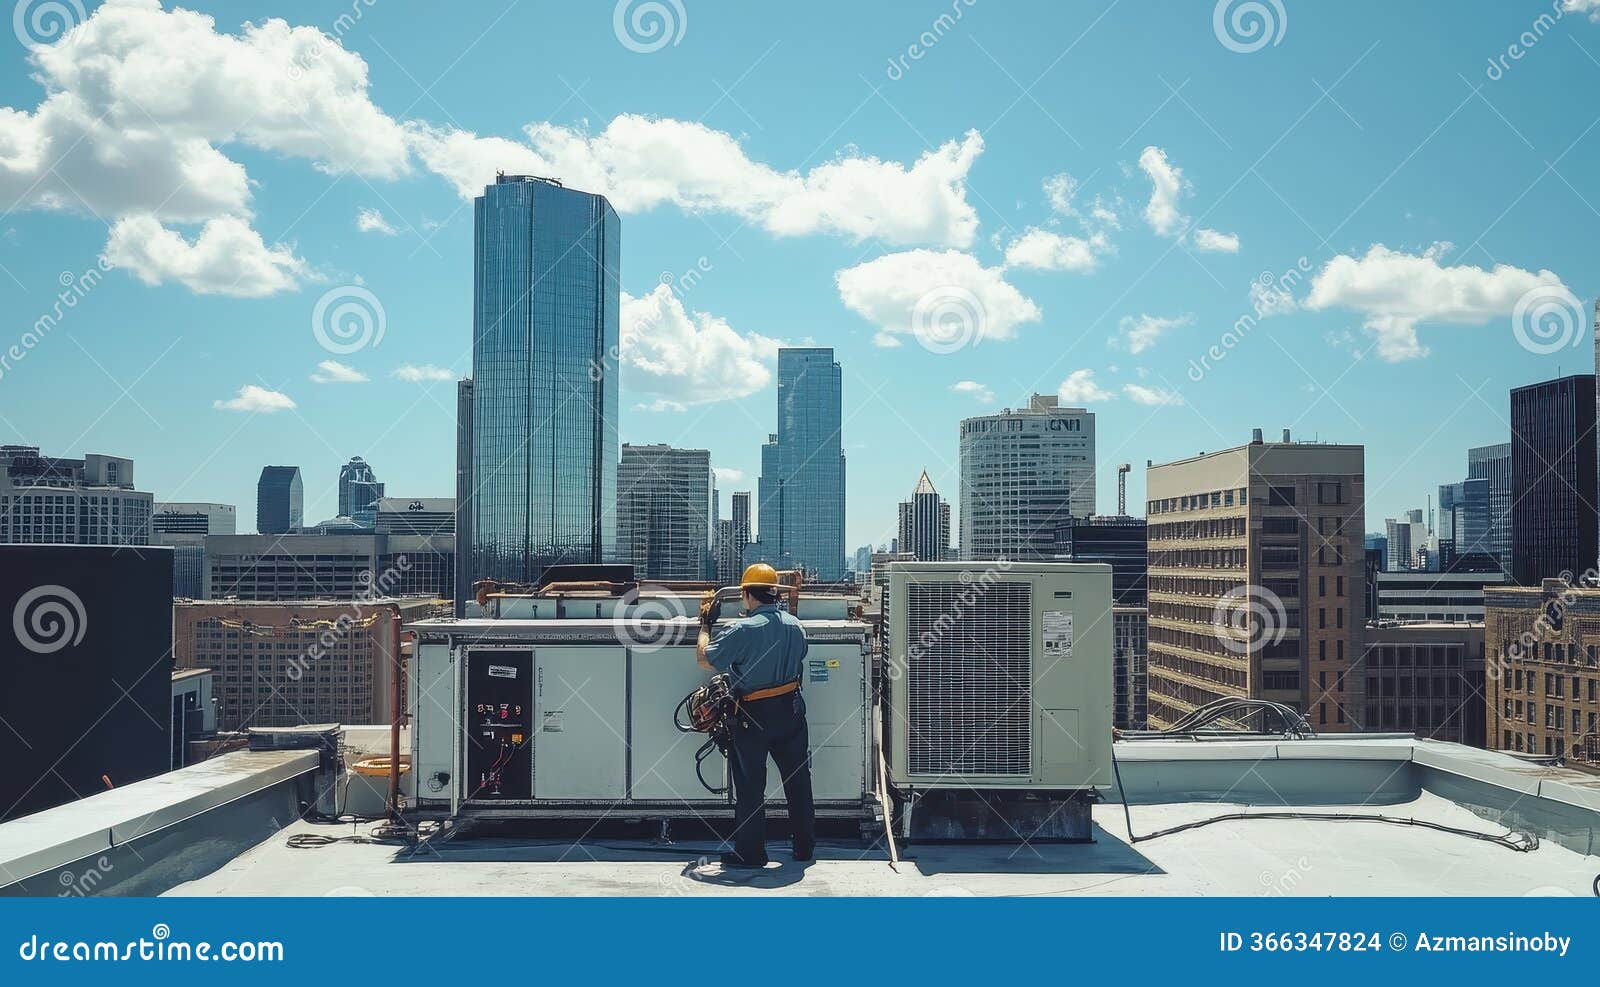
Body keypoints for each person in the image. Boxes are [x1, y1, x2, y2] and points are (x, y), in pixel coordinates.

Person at [696, 563, 815, 869]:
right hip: (790, 711)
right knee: (798, 779)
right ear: (775, 593)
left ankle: (751, 853)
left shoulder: (743, 629)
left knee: (751, 786)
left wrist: (705, 626)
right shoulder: (795, 626)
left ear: (748, 595)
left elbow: (705, 659)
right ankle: (804, 847)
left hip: (753, 714)